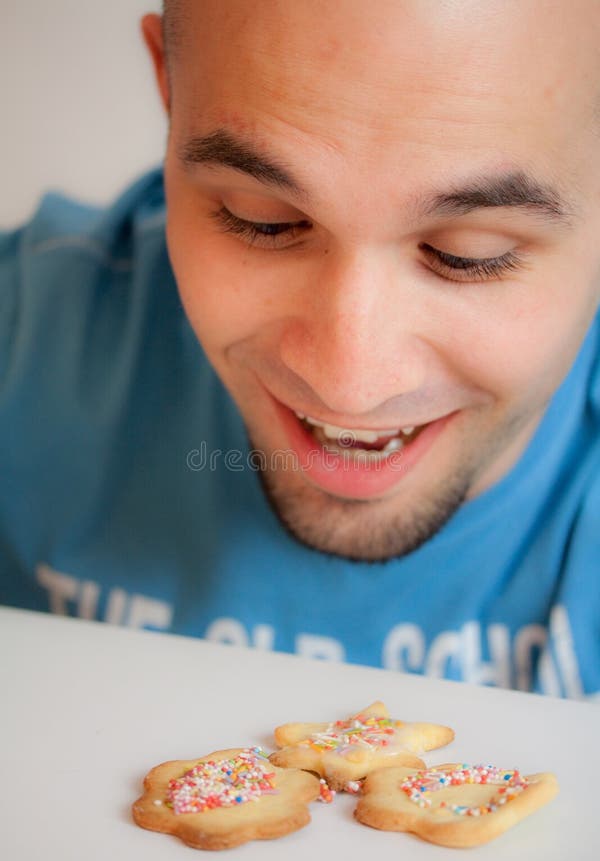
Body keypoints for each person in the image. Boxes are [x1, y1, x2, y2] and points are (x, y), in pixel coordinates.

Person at [1, 0, 599, 698]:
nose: (350, 384)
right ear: (168, 85)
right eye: (264, 221)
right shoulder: (23, 343)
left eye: (468, 256)